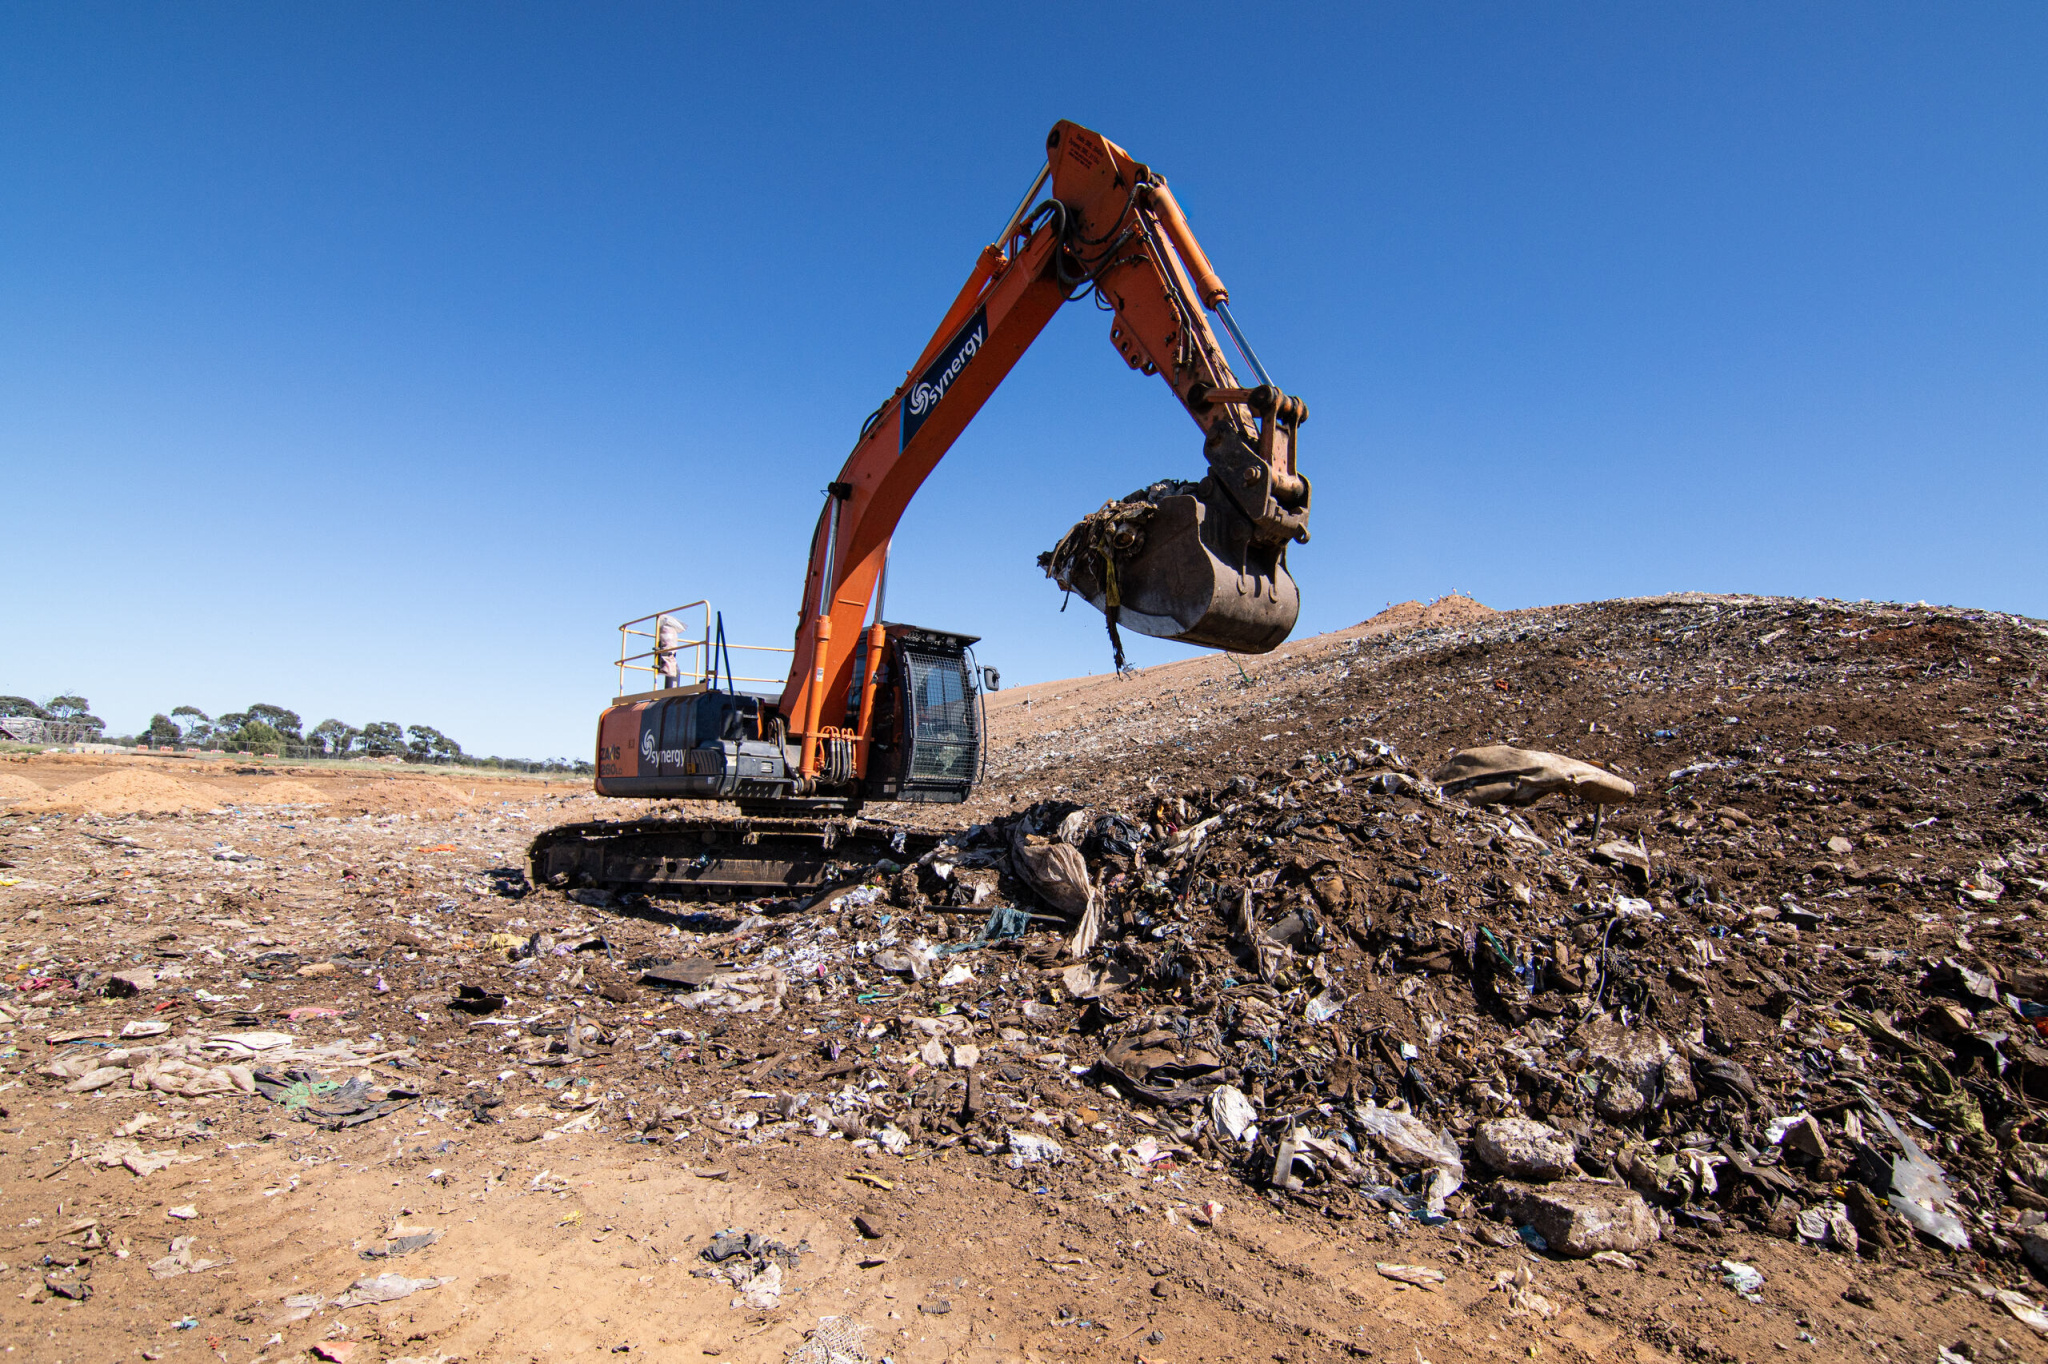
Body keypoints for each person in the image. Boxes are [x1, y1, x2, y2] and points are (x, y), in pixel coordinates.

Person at [654, 614, 685, 689]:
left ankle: (668, 667)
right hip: (667, 656)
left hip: (669, 656)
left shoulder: (667, 630)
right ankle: (667, 667)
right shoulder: (667, 630)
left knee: (670, 661)